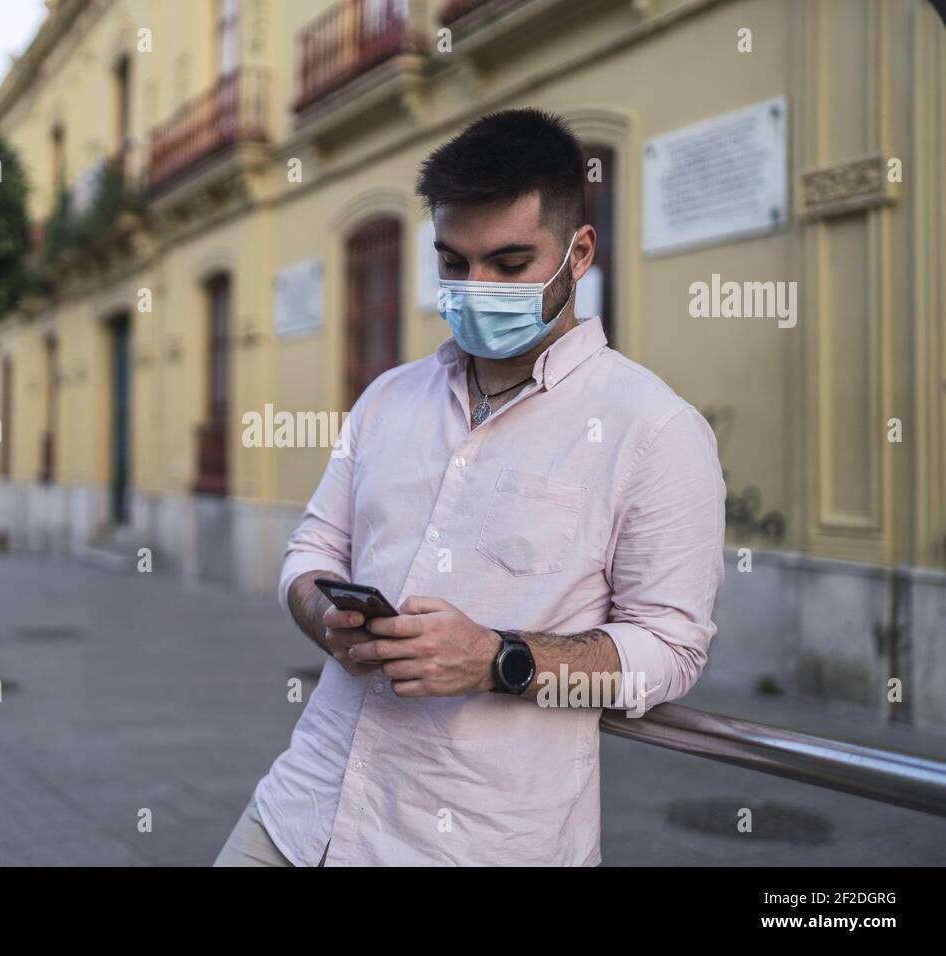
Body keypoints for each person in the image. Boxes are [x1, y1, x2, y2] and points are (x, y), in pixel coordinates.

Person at [215, 109, 726, 867]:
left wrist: (496, 658)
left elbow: (671, 648)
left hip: (479, 844)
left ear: (579, 253)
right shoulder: (389, 397)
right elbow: (313, 548)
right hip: (300, 811)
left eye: (510, 264)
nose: (475, 287)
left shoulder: (653, 429)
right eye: (453, 263)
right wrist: (326, 613)